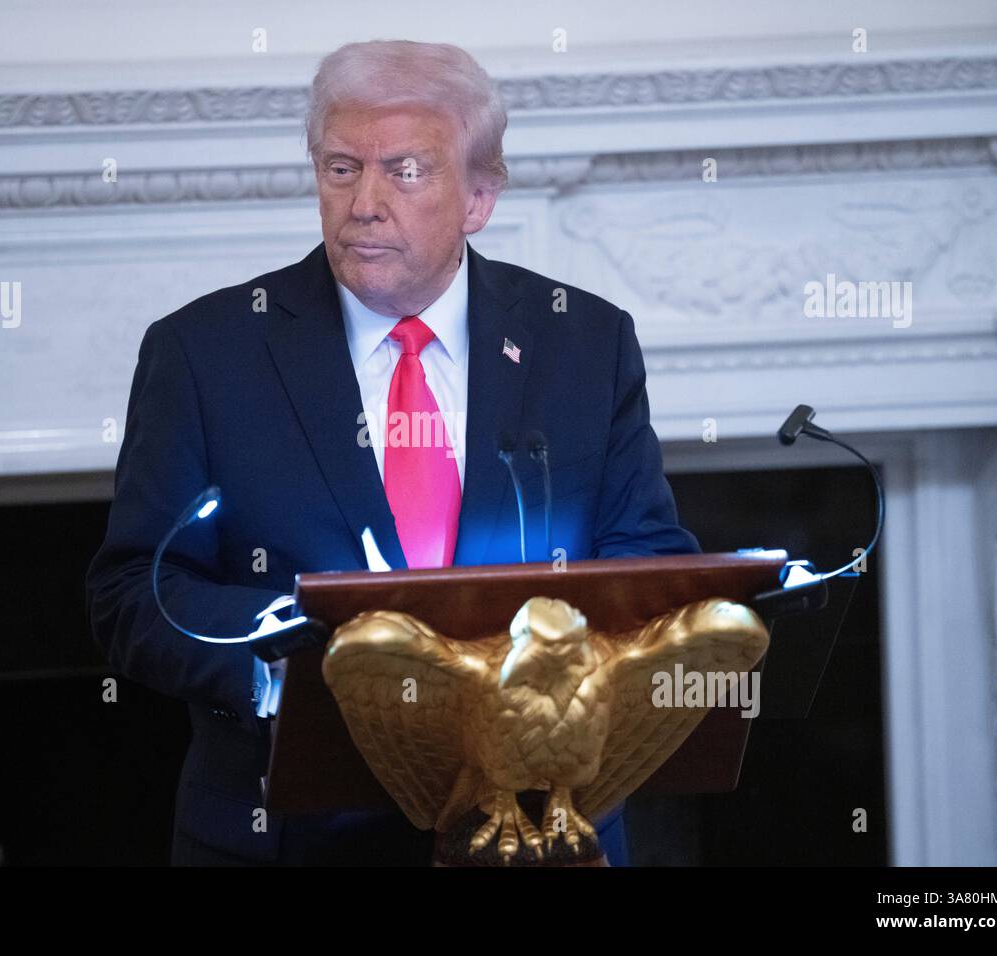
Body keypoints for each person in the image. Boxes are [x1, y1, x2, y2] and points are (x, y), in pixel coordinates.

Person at [86, 39, 699, 866]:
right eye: (341, 169)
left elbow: (650, 560)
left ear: (478, 196)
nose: (364, 203)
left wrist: (541, 670)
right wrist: (298, 659)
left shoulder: (581, 342)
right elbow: (136, 594)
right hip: (289, 837)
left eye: (404, 170)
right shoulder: (204, 354)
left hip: (537, 833)